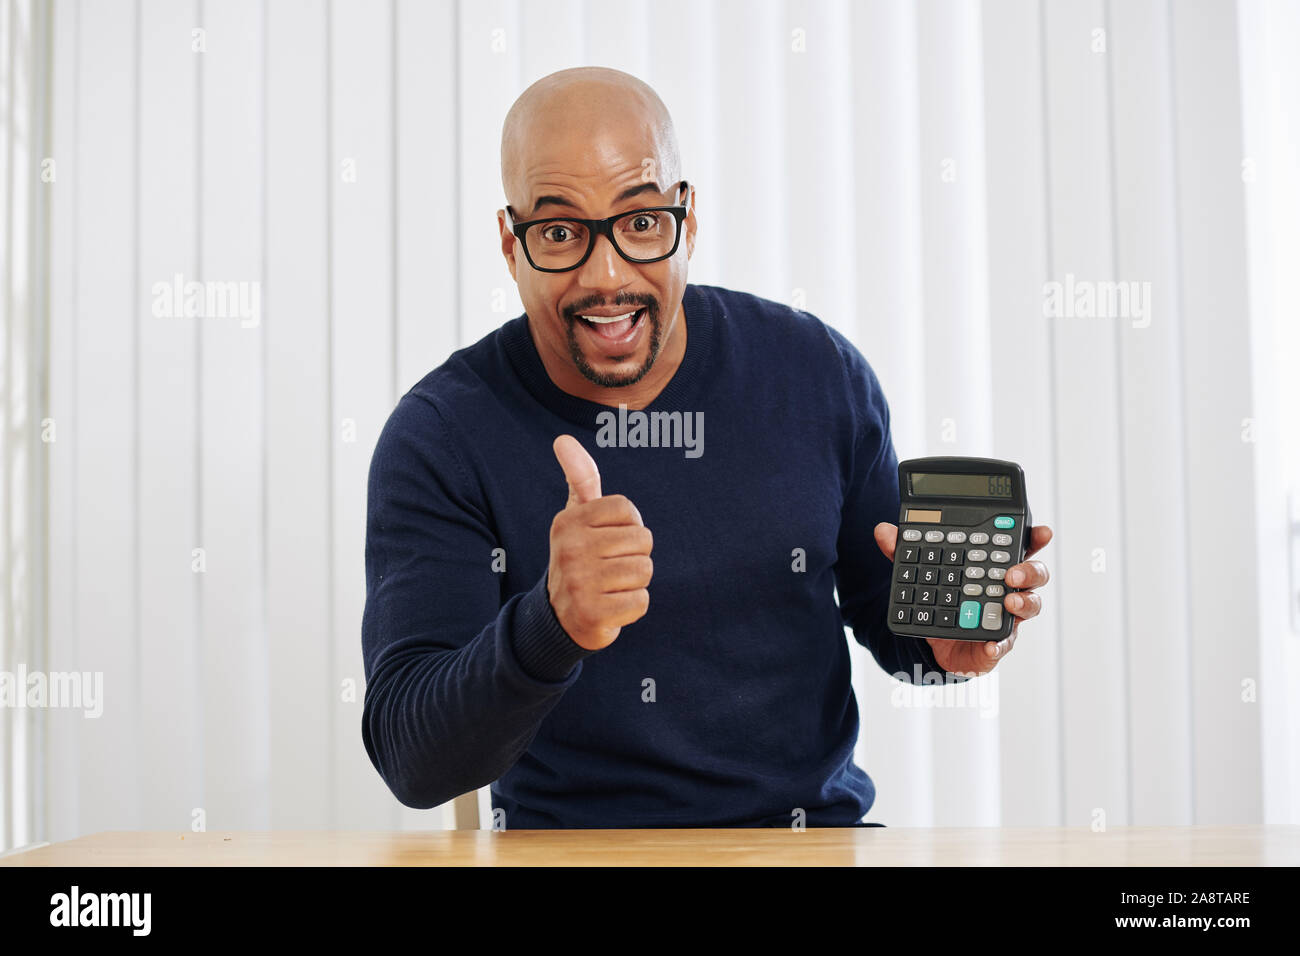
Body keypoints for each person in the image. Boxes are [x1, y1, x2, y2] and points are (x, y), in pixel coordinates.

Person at [360, 67, 1052, 828]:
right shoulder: (442, 435)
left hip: (811, 844)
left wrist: (943, 651)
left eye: (641, 221)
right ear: (509, 243)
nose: (607, 274)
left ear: (687, 219)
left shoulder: (816, 372)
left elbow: (895, 626)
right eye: (559, 232)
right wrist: (551, 625)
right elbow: (413, 760)